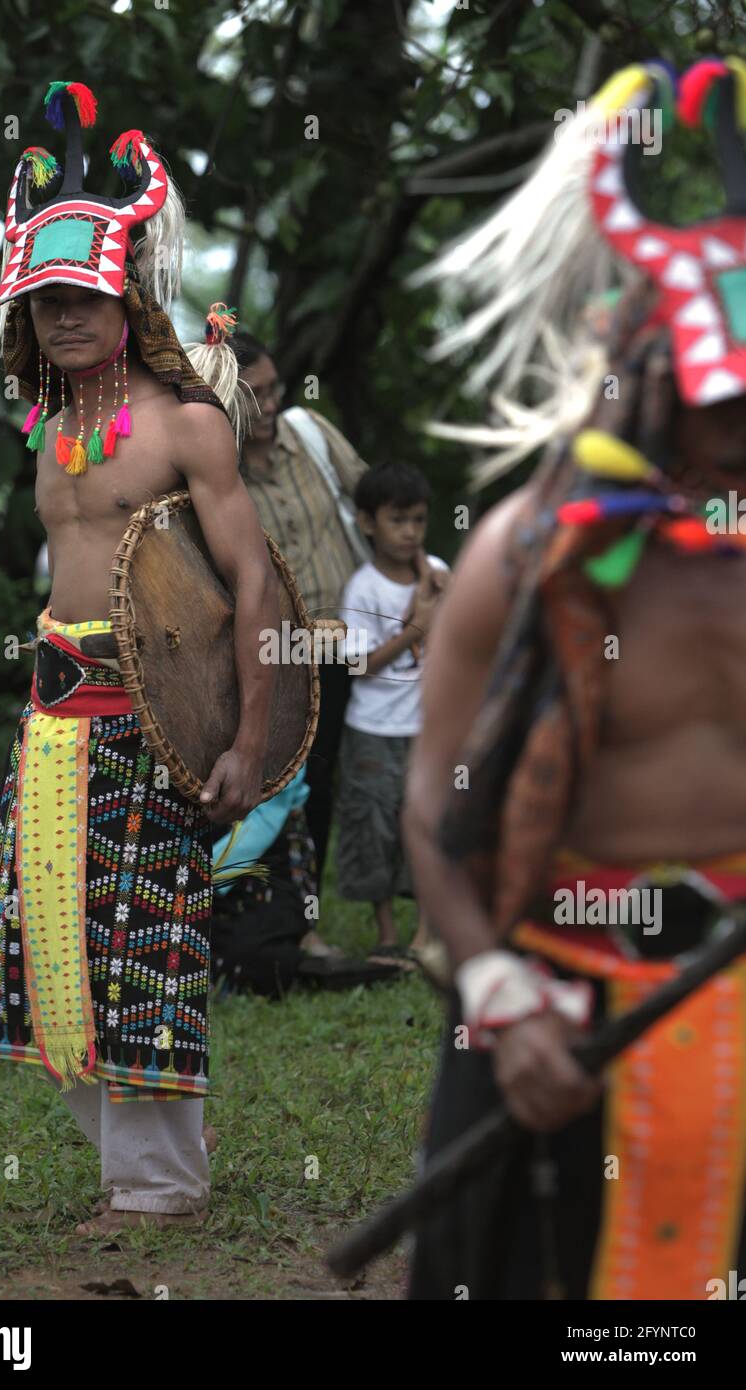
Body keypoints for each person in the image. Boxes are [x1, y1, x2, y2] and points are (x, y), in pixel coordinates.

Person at [404, 59, 746, 1299]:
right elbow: (435, 812)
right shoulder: (522, 558)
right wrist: (498, 993)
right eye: (729, 413)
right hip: (558, 998)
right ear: (646, 377)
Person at [0, 81, 278, 1235]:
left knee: (143, 934)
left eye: (82, 299)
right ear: (25, 315)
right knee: (40, 928)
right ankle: (130, 1169)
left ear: (123, 295)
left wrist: (246, 736)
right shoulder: (46, 426)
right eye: (43, 305)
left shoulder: (188, 422)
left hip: (151, 723)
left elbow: (251, 581)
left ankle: (158, 1187)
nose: (64, 321)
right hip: (52, 722)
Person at [229, 332, 369, 908]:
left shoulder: (310, 434)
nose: (267, 406)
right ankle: (257, 905)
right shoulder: (219, 470)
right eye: (251, 396)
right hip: (269, 656)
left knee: (331, 771)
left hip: (346, 642)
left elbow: (373, 502)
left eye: (273, 389)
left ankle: (305, 908)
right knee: (273, 780)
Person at [335, 464, 448, 966]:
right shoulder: (363, 590)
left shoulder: (439, 574)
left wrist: (439, 605)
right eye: (397, 520)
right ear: (367, 523)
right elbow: (358, 665)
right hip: (372, 729)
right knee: (374, 826)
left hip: (428, 728)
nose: (409, 532)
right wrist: (414, 629)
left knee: (427, 826)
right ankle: (386, 935)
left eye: (418, 521)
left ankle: (426, 932)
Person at [210, 767, 402, 994]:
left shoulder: (282, 740)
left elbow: (265, 822)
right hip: (211, 853)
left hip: (272, 858)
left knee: (256, 956)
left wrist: (200, 878)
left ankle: (314, 958)